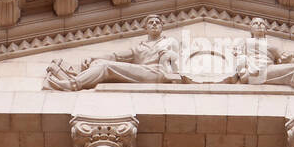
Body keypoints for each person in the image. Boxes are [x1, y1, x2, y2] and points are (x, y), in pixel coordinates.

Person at [43, 14, 188, 90]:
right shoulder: (140, 47)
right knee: (101, 63)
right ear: (146, 28)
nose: (155, 24)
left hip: (157, 73)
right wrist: (93, 57)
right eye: (151, 23)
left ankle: (73, 83)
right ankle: (74, 74)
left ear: (162, 26)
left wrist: (169, 58)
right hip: (143, 71)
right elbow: (115, 56)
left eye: (158, 22)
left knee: (106, 66)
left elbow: (175, 62)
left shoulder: (169, 41)